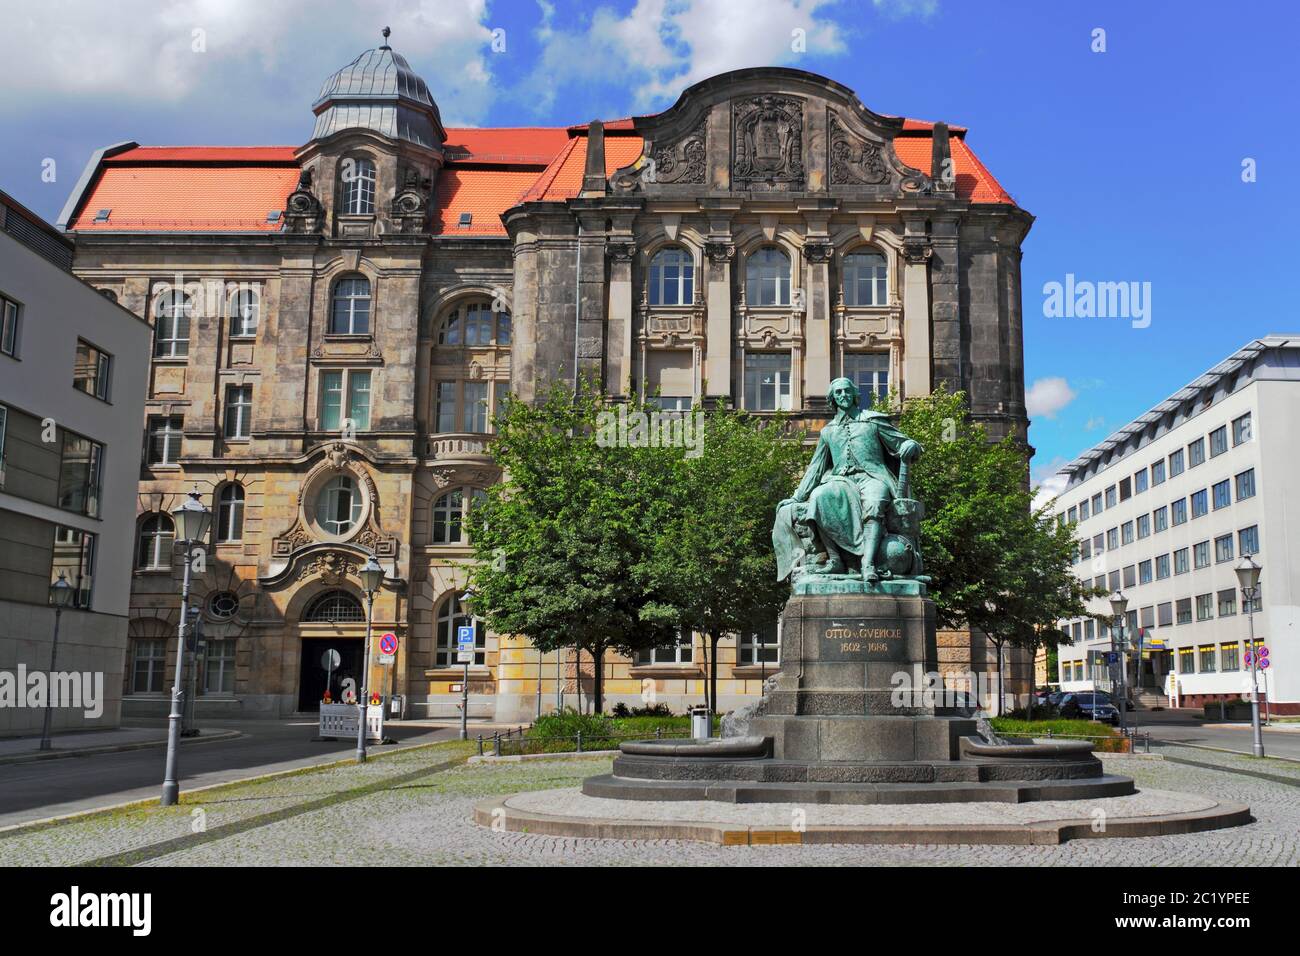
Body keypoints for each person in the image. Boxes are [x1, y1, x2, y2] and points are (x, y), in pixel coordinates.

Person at [773, 377, 921, 583]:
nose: (843, 395)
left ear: (854, 395)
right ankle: (835, 560)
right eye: (838, 392)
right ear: (832, 398)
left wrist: (911, 445)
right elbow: (816, 467)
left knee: (874, 502)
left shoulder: (872, 420)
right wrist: (797, 497)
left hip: (873, 477)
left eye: (846, 391)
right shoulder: (828, 431)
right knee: (819, 496)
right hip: (842, 480)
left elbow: (905, 443)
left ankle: (867, 564)